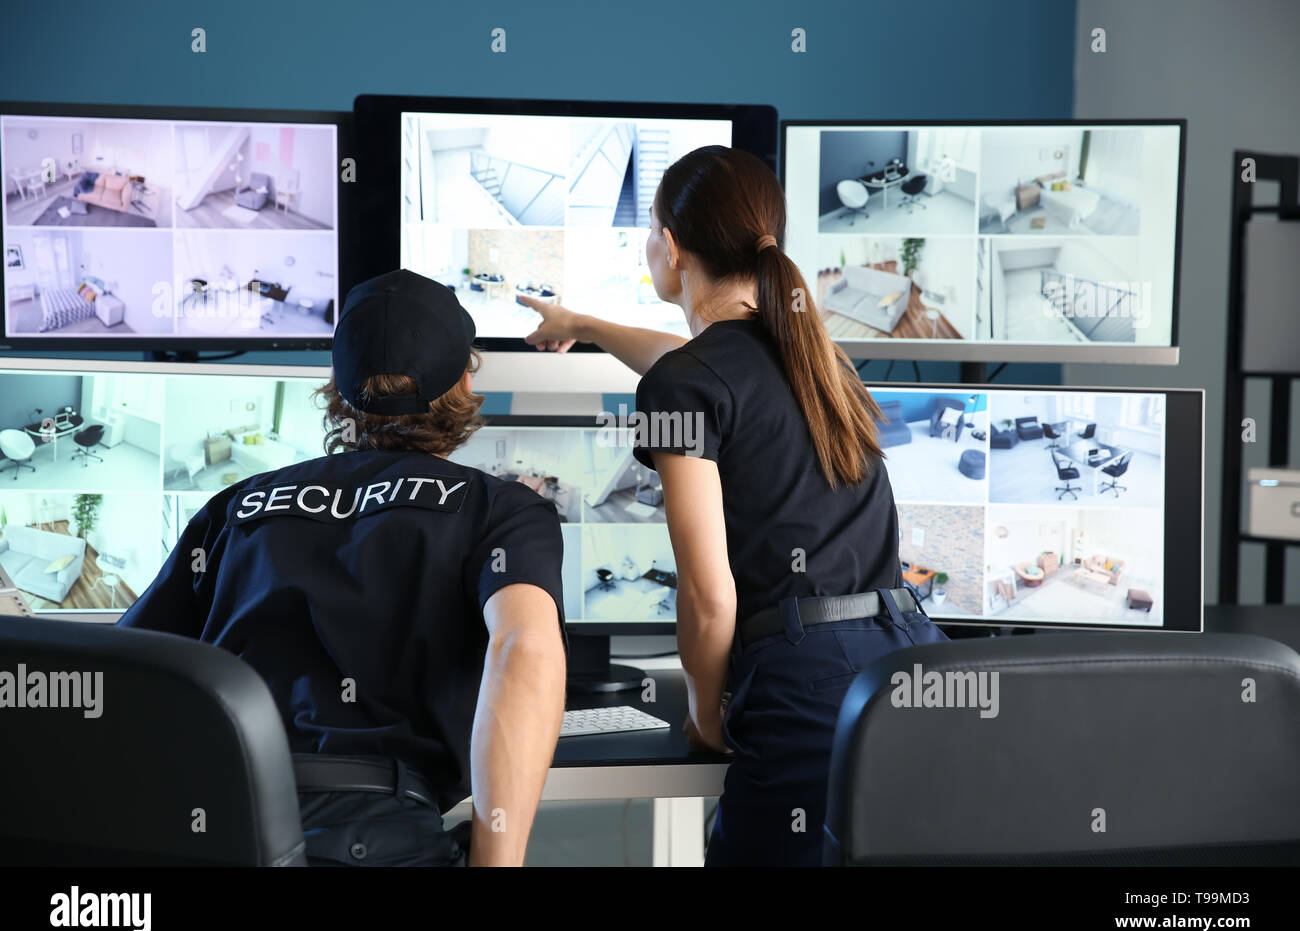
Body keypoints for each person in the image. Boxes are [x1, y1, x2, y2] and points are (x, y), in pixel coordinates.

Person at [519, 145, 949, 866]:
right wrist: (585, 325)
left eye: (651, 229)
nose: (648, 244)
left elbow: (707, 594)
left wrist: (702, 713)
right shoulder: (816, 356)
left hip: (806, 687)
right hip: (908, 663)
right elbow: (682, 359)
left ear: (675, 246)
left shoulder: (684, 386)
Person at [119, 269, 567, 867]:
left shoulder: (240, 503)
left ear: (335, 384)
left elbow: (128, 669)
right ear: (464, 381)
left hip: (221, 818)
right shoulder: (499, 510)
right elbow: (526, 650)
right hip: (378, 830)